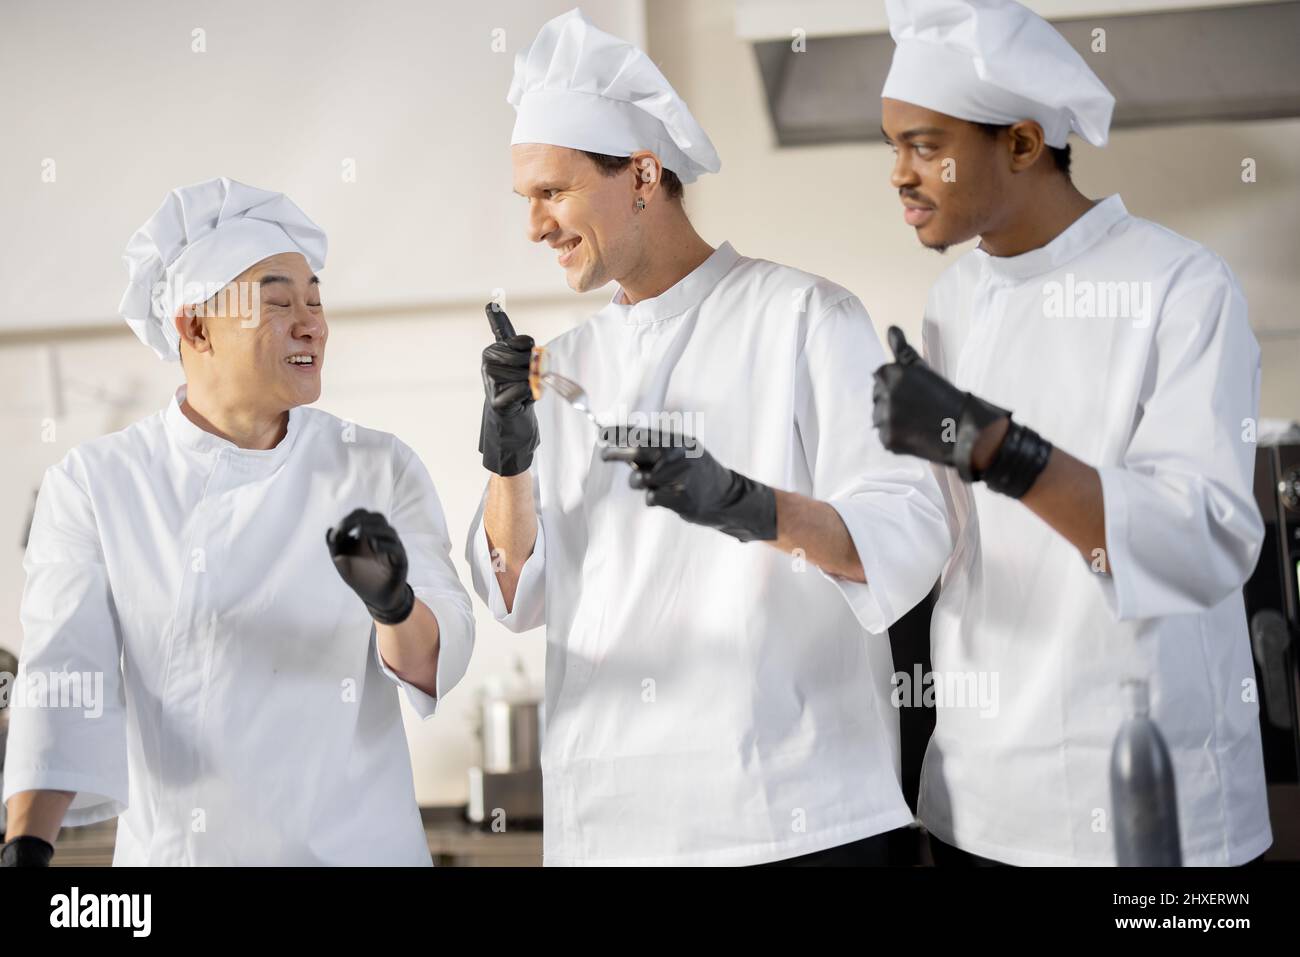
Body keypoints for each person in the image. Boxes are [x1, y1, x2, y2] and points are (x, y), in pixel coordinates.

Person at [465, 8, 952, 866]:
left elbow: (907, 534)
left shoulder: (804, 317)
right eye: (525, 200)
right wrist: (510, 461)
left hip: (795, 817)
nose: (534, 226)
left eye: (552, 192)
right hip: (615, 827)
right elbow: (514, 598)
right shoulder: (564, 364)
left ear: (643, 175)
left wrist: (749, 506)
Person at [871, 0, 1271, 866]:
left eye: (926, 145)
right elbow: (949, 538)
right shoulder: (956, 299)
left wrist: (997, 447)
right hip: (980, 798)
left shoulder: (1183, 286)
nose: (899, 173)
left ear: (1020, 143)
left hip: (1149, 805)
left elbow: (1203, 540)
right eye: (892, 145)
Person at [1, 178, 474, 866]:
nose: (312, 322)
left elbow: (437, 659)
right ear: (194, 326)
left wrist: (393, 603)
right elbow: (66, 679)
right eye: (280, 302)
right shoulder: (98, 483)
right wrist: (26, 848)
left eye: (315, 299)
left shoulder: (375, 464)